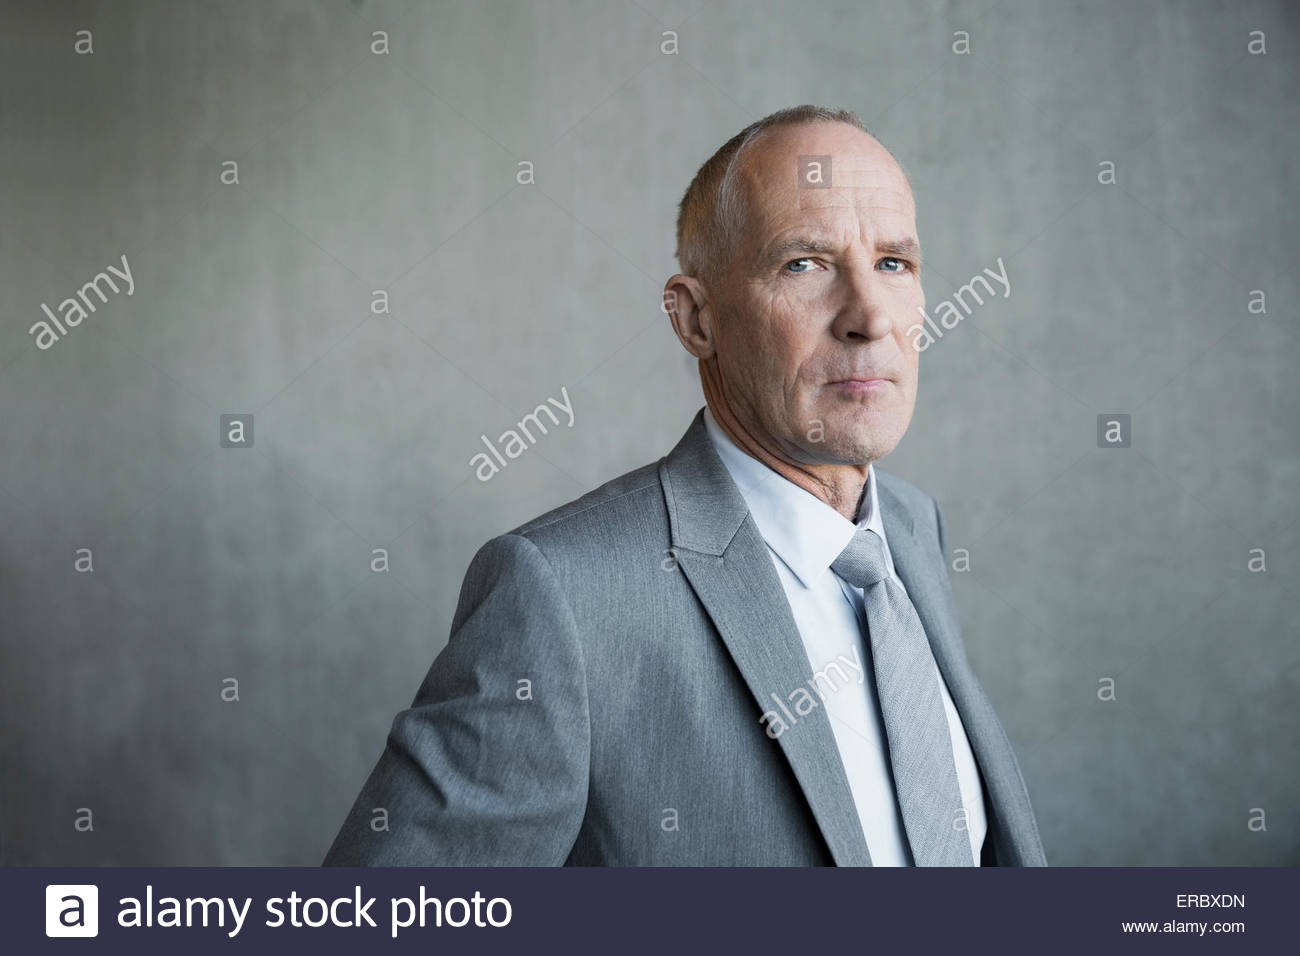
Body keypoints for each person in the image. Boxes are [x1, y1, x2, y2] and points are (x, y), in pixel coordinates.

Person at [322, 104, 1047, 866]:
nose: (869, 315)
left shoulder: (910, 527)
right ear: (696, 319)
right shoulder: (562, 594)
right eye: (804, 264)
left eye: (894, 264)